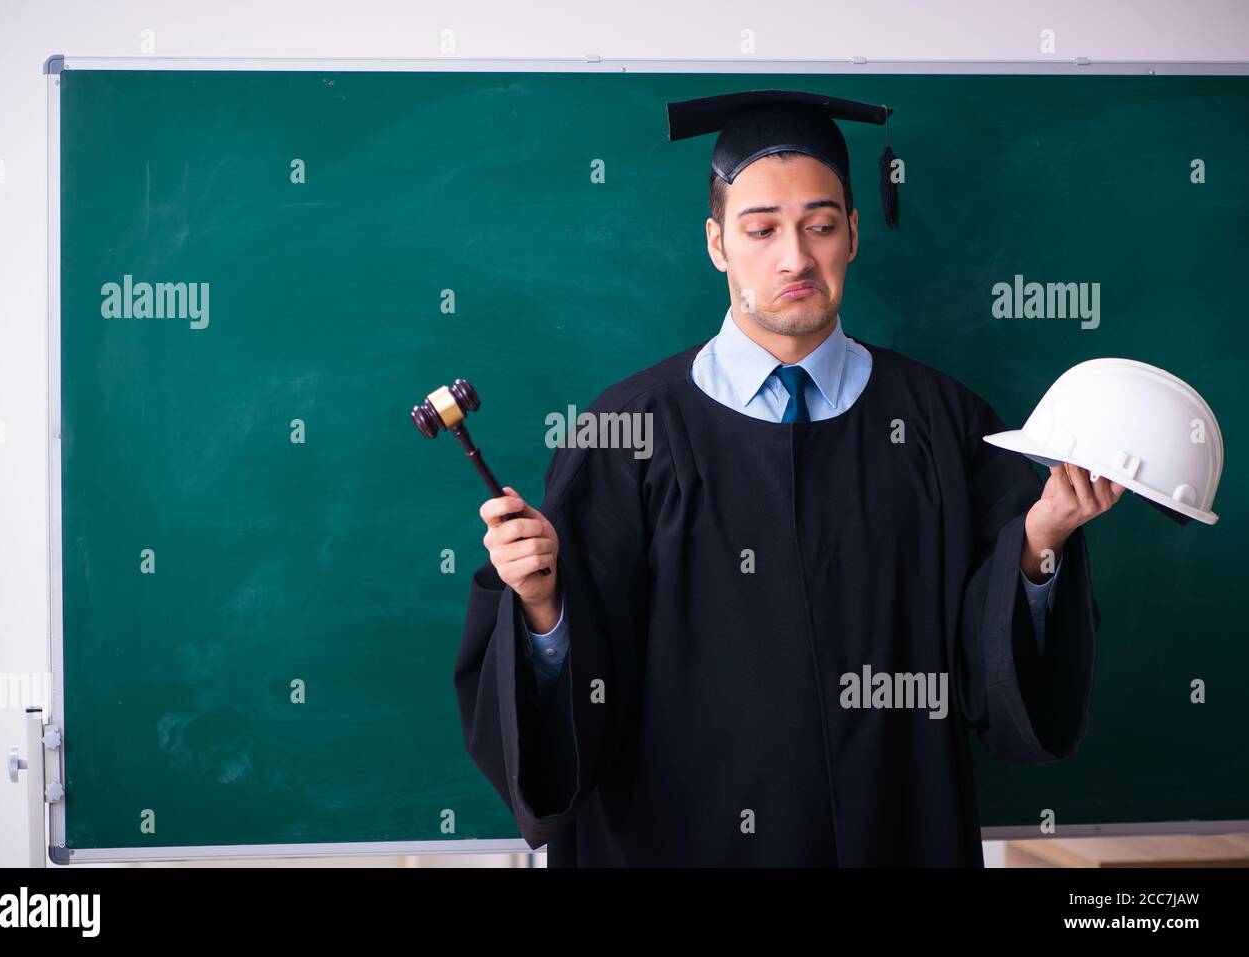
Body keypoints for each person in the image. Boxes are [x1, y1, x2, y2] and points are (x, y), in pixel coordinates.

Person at [453, 89, 1123, 866]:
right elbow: (572, 715)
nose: (795, 257)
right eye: (761, 228)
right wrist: (540, 605)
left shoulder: (945, 423)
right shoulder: (623, 434)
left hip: (892, 833)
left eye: (821, 224)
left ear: (854, 234)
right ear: (716, 243)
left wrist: (1037, 549)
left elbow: (994, 678)